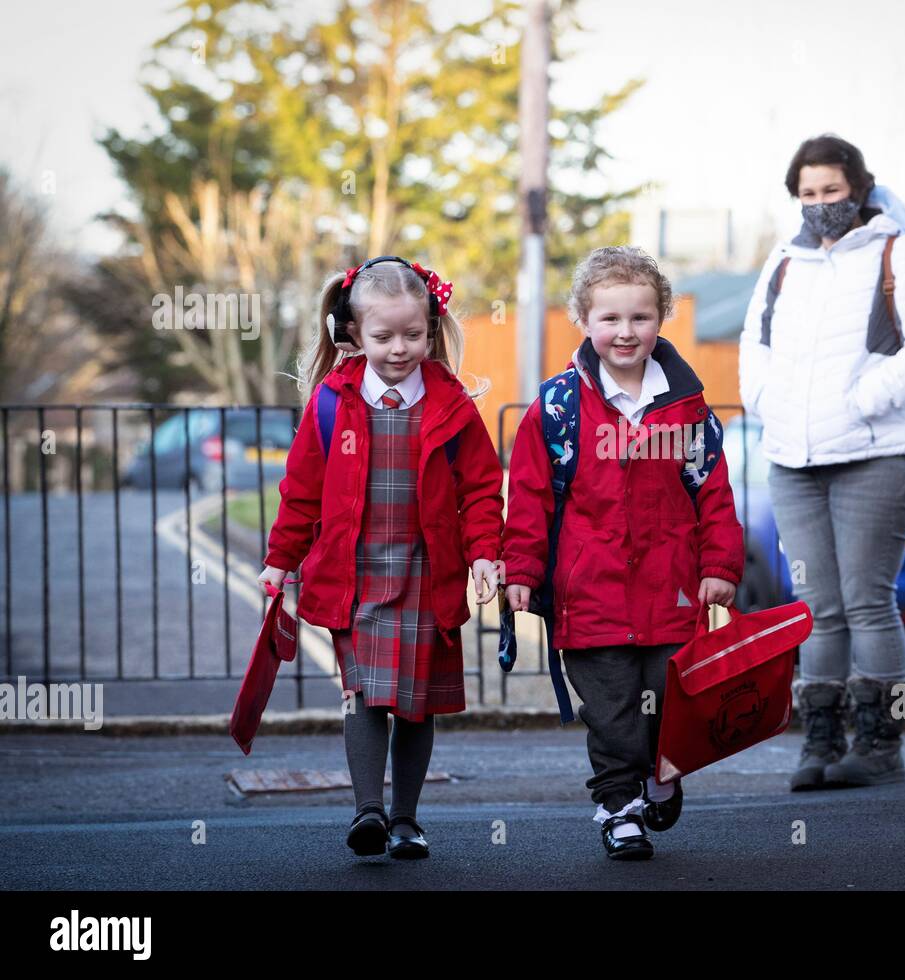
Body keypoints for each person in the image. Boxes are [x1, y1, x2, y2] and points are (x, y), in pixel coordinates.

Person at [502, 246, 744, 860]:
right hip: (590, 597)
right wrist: (523, 571)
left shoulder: (688, 406)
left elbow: (712, 490)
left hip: (672, 591)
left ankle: (663, 771)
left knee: (668, 701)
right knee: (611, 714)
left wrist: (719, 566)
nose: (625, 332)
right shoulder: (557, 406)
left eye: (640, 317)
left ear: (661, 317)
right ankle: (619, 810)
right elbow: (530, 497)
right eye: (609, 319)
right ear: (583, 320)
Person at [258, 256, 505, 859]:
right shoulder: (330, 405)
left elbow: (479, 491)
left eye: (414, 335)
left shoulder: (455, 405)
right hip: (355, 573)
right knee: (366, 692)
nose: (400, 348)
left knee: (416, 702)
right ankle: (368, 810)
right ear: (353, 334)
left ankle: (406, 820)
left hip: (427, 571)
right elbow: (301, 491)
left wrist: (483, 554)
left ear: (432, 328)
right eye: (384, 336)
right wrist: (279, 558)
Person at [739, 134, 905, 792]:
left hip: (874, 457)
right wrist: (765, 403)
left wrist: (865, 400)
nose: (820, 204)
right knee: (817, 609)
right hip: (792, 459)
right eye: (807, 194)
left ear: (858, 190)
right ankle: (820, 745)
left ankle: (880, 749)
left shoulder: (899, 249)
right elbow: (756, 344)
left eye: (831, 191)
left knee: (867, 603)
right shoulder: (783, 261)